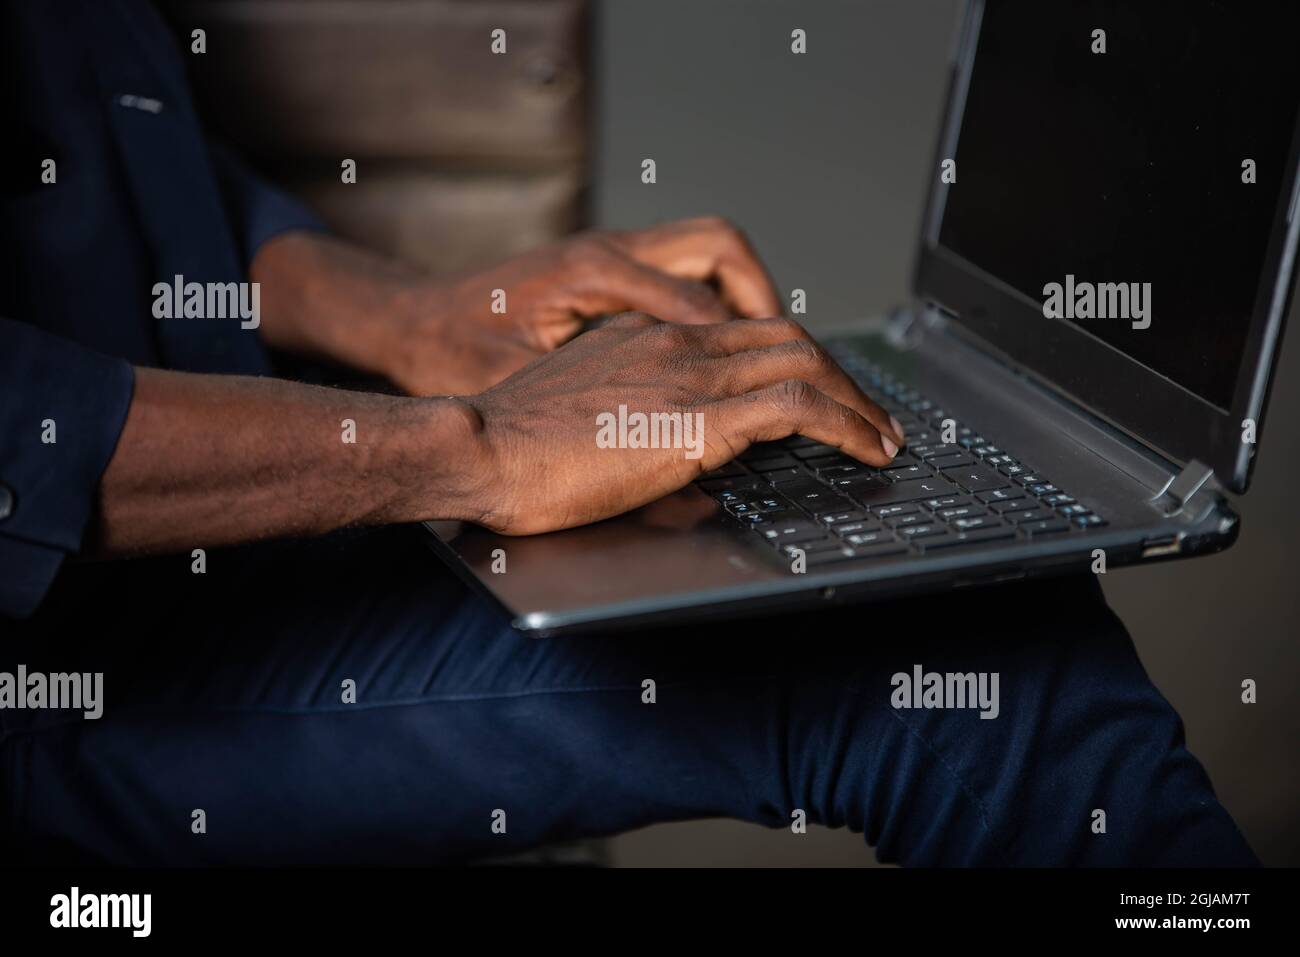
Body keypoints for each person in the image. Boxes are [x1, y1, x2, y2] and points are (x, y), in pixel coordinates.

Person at [0, 0, 1257, 866]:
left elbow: (88, 128)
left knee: (949, 596)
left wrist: (408, 313)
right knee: (977, 668)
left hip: (215, 514)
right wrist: (472, 445)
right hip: (63, 662)